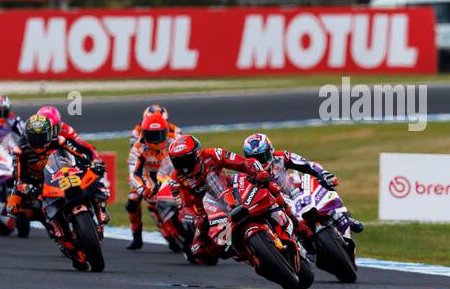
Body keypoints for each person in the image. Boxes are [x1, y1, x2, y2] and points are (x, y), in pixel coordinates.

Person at [4, 109, 106, 254]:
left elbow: (80, 152)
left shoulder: (59, 139)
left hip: (61, 172)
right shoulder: (19, 150)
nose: (39, 142)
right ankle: (57, 233)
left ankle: (100, 212)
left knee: (95, 180)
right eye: (35, 138)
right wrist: (27, 188)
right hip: (35, 181)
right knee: (12, 208)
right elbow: (19, 176)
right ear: (27, 136)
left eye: (42, 137)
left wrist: (93, 163)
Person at [166, 134, 271, 264]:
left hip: (231, 191)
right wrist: (195, 218)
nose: (184, 166)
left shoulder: (213, 154)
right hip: (208, 212)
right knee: (198, 252)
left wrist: (258, 172)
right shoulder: (175, 179)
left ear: (197, 154)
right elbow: (183, 208)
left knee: (270, 187)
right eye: (178, 162)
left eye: (187, 160)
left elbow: (243, 163)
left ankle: (291, 219)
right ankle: (238, 248)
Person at [241, 132, 363, 233]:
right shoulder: (246, 175)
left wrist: (322, 173)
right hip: (277, 207)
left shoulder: (281, 156)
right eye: (255, 159)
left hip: (296, 194)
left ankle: (343, 215)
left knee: (321, 180)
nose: (260, 162)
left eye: (263, 157)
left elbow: (307, 164)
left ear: (271, 150)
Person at [125, 103, 183, 250]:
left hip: (166, 168)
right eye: (151, 134)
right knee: (133, 203)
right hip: (145, 170)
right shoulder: (136, 136)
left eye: (159, 133)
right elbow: (134, 162)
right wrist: (142, 186)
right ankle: (137, 236)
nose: (156, 139)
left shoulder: (176, 134)